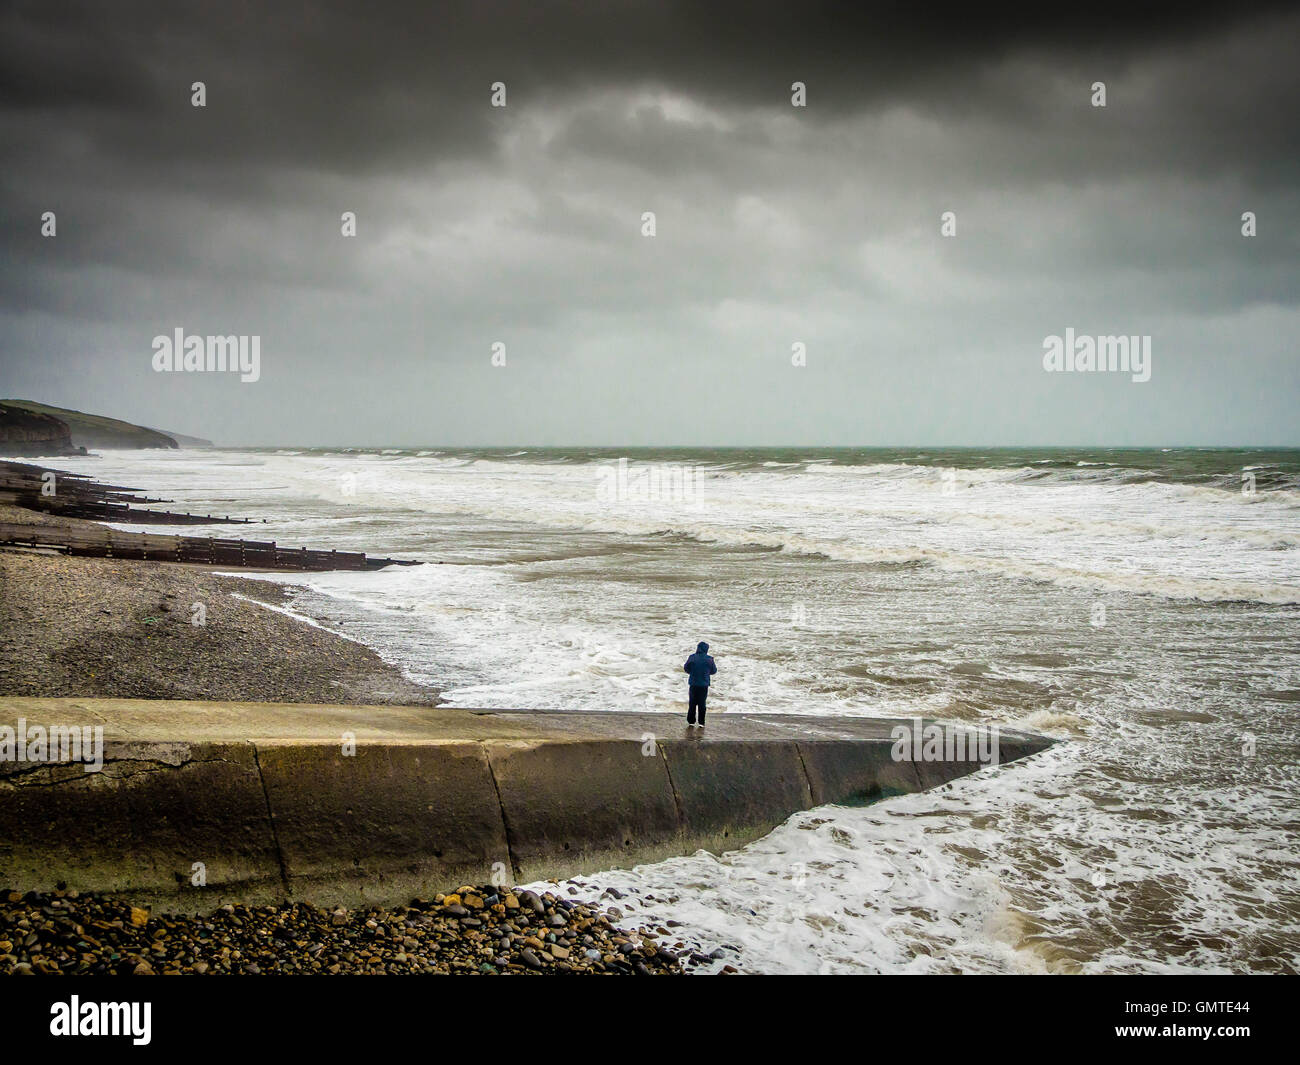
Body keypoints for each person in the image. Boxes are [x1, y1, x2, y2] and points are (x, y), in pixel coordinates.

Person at [683, 641, 717, 727]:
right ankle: (701, 722)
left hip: (693, 683)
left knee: (692, 703)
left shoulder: (692, 657)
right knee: (702, 703)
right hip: (704, 685)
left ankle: (691, 721)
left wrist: (692, 672)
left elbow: (686, 668)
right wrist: (706, 673)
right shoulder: (709, 659)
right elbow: (714, 671)